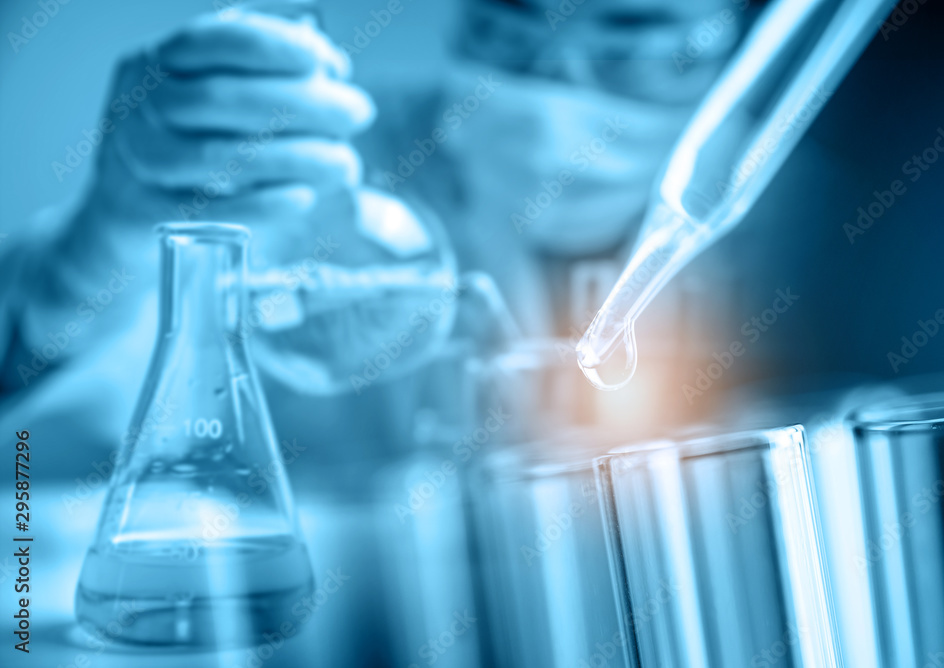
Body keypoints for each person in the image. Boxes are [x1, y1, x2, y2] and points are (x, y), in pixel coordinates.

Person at [0, 0, 745, 452]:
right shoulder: (322, 163)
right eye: (506, 22)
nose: (556, 77)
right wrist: (89, 263)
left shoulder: (802, 210)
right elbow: (50, 447)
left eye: (632, 29)